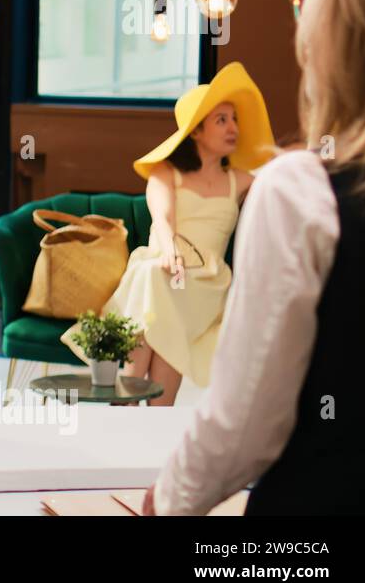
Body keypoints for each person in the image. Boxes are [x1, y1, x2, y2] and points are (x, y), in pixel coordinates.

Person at [145, 0, 365, 515]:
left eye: (307, 8)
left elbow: (245, 424)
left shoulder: (301, 195)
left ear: (337, 38)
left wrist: (167, 503)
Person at [59, 62, 275, 405]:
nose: (233, 127)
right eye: (221, 120)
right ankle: (155, 409)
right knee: (156, 281)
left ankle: (126, 401)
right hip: (164, 268)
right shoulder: (166, 173)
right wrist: (171, 249)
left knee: (158, 294)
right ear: (196, 131)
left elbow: (284, 184)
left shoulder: (240, 180)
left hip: (206, 281)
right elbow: (162, 215)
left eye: (234, 119)